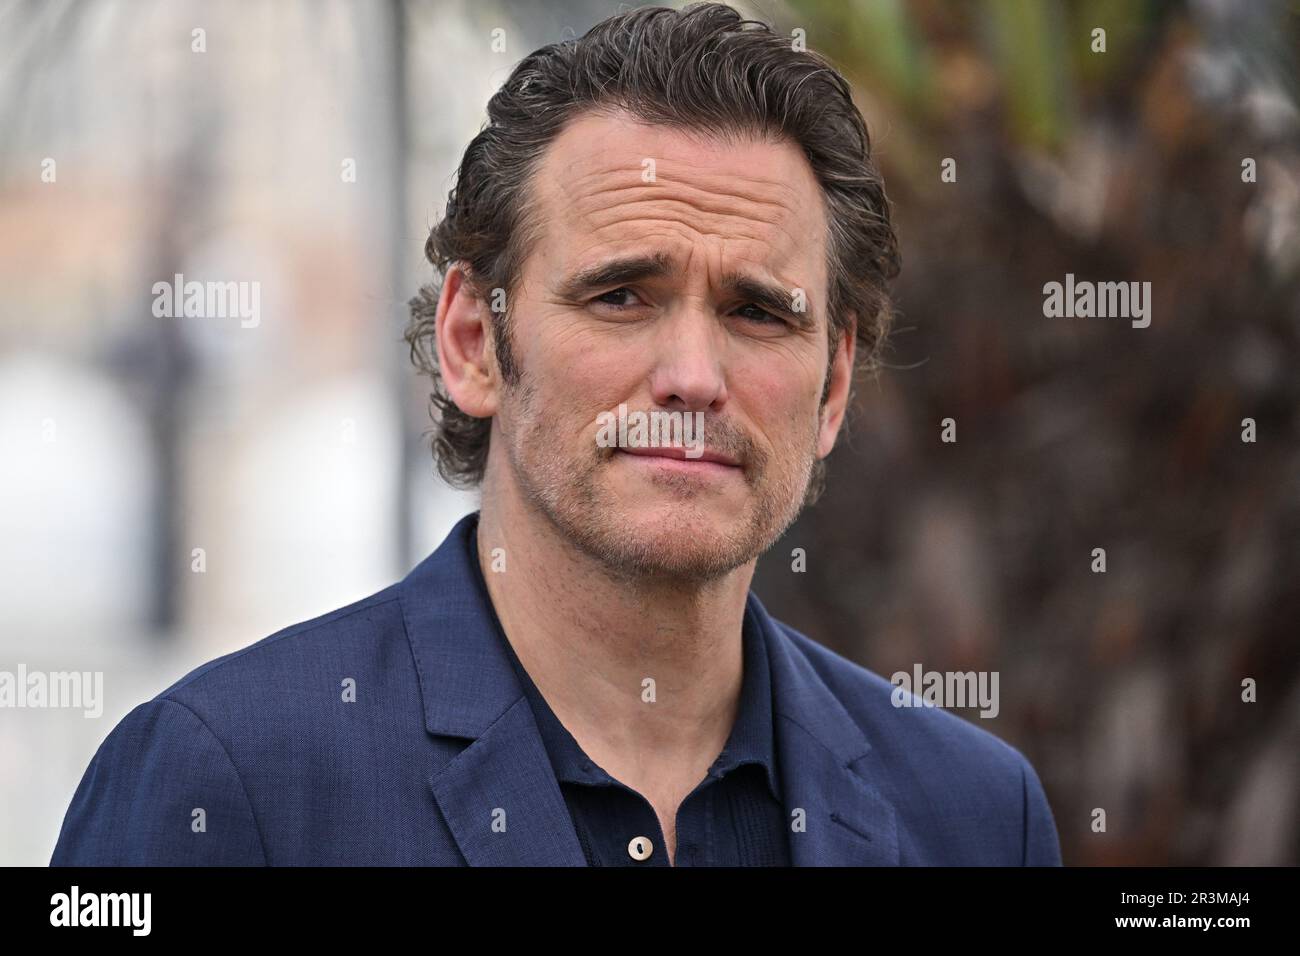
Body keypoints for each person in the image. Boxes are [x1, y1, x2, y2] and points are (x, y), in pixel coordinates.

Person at [51, 2, 1061, 866]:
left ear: (834, 383)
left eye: (757, 312)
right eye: (621, 294)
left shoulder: (973, 815)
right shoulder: (228, 779)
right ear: (471, 342)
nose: (693, 378)